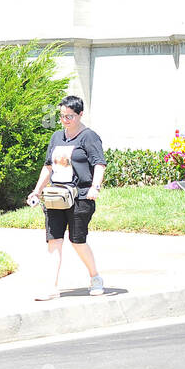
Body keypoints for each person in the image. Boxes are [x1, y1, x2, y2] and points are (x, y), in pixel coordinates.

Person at [27, 96, 107, 300]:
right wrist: (37, 191)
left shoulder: (89, 137)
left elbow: (99, 164)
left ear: (80, 115)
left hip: (80, 196)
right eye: (62, 116)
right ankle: (52, 287)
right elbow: (48, 167)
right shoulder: (56, 137)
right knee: (54, 241)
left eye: (70, 116)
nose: (65, 120)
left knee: (77, 240)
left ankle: (95, 277)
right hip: (56, 196)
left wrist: (95, 187)